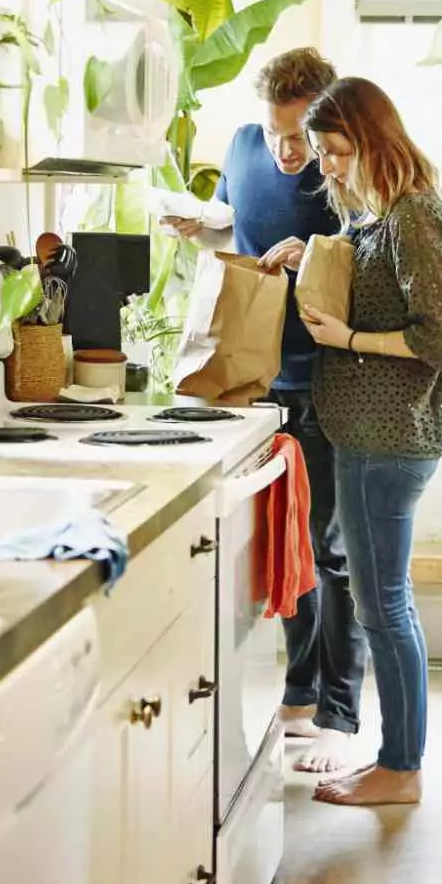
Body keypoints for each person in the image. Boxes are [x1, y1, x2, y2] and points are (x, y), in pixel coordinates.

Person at [161, 47, 366, 774]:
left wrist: (310, 248)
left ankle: (340, 710)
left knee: (330, 552)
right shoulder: (244, 146)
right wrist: (204, 227)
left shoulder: (345, 163)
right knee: (281, 549)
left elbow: (365, 254)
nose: (285, 150)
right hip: (252, 382)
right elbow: (234, 221)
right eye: (274, 132)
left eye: (296, 135)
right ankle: (299, 689)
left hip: (325, 383)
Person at [296, 76, 442, 808]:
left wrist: (350, 338)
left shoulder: (412, 217)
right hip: (370, 433)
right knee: (384, 604)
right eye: (320, 153)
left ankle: (400, 769)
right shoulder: (383, 215)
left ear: (371, 140)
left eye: (335, 151)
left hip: (387, 437)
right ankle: (396, 761)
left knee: (382, 608)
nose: (326, 167)